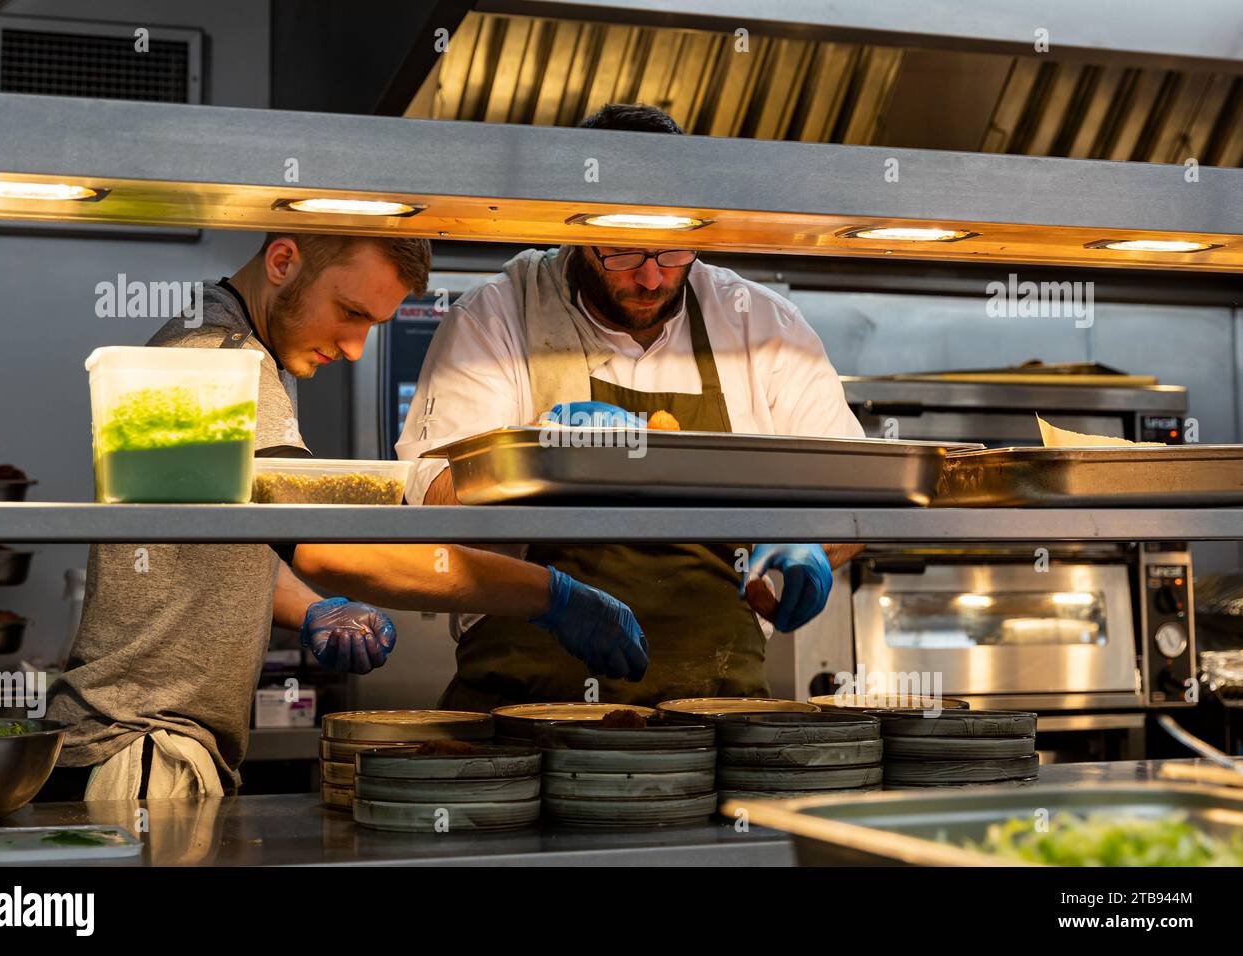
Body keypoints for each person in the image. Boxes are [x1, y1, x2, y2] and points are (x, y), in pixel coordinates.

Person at [44, 231, 645, 801]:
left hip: (145, 744)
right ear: (282, 262)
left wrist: (311, 608)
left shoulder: (231, 348)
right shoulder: (218, 360)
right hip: (143, 751)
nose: (356, 349)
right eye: (350, 312)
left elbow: (226, 540)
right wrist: (552, 595)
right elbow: (332, 548)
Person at [396, 103, 865, 711]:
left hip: (717, 714)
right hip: (525, 710)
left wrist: (815, 548)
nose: (650, 278)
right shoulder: (497, 316)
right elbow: (436, 503)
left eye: (673, 252)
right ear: (575, 227)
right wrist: (536, 454)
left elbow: (857, 489)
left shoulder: (760, 325)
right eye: (621, 253)